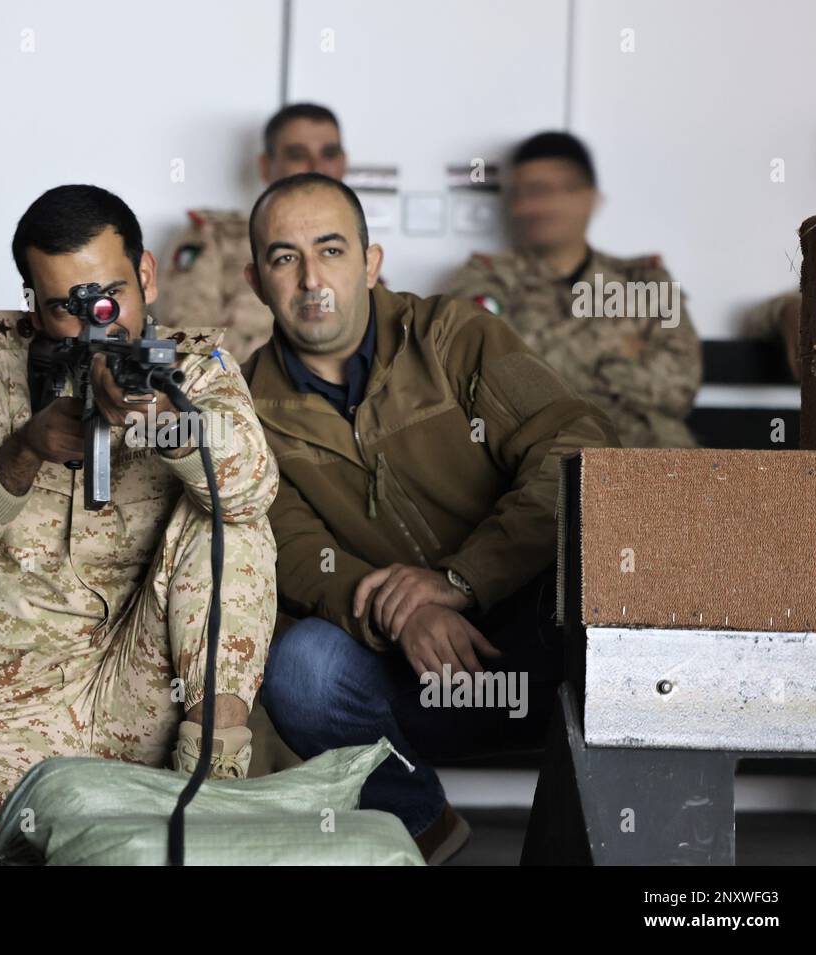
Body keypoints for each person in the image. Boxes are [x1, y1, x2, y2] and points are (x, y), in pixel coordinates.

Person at [0, 185, 279, 865]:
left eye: (108, 299)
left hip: (150, 696)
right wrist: (22, 451)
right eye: (63, 309)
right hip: (11, 708)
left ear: (148, 275)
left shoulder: (192, 367)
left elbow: (254, 484)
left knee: (227, 505)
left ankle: (211, 783)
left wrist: (164, 422)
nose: (90, 326)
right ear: (32, 303)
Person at [240, 172, 617, 864]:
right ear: (257, 279)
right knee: (302, 669)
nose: (311, 278)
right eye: (284, 257)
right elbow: (291, 550)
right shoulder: (246, 410)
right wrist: (405, 611)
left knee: (617, 580)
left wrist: (460, 579)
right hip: (402, 666)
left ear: (371, 262)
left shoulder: (454, 335)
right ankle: (422, 825)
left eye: (331, 250)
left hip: (534, 636)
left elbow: (575, 447)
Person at [442, 131, 702, 448]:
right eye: (518, 194)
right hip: (532, 463)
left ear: (588, 198)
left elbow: (679, 389)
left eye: (540, 191)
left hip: (650, 465)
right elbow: (475, 373)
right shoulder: (485, 277)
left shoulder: (644, 281)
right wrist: (617, 348)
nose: (526, 207)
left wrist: (534, 350)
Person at [154, 102, 348, 363]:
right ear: (266, 166)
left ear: (344, 162)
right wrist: (297, 360)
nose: (316, 166)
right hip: (246, 397)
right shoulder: (212, 237)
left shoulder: (355, 249)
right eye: (298, 155)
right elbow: (180, 340)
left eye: (329, 153)